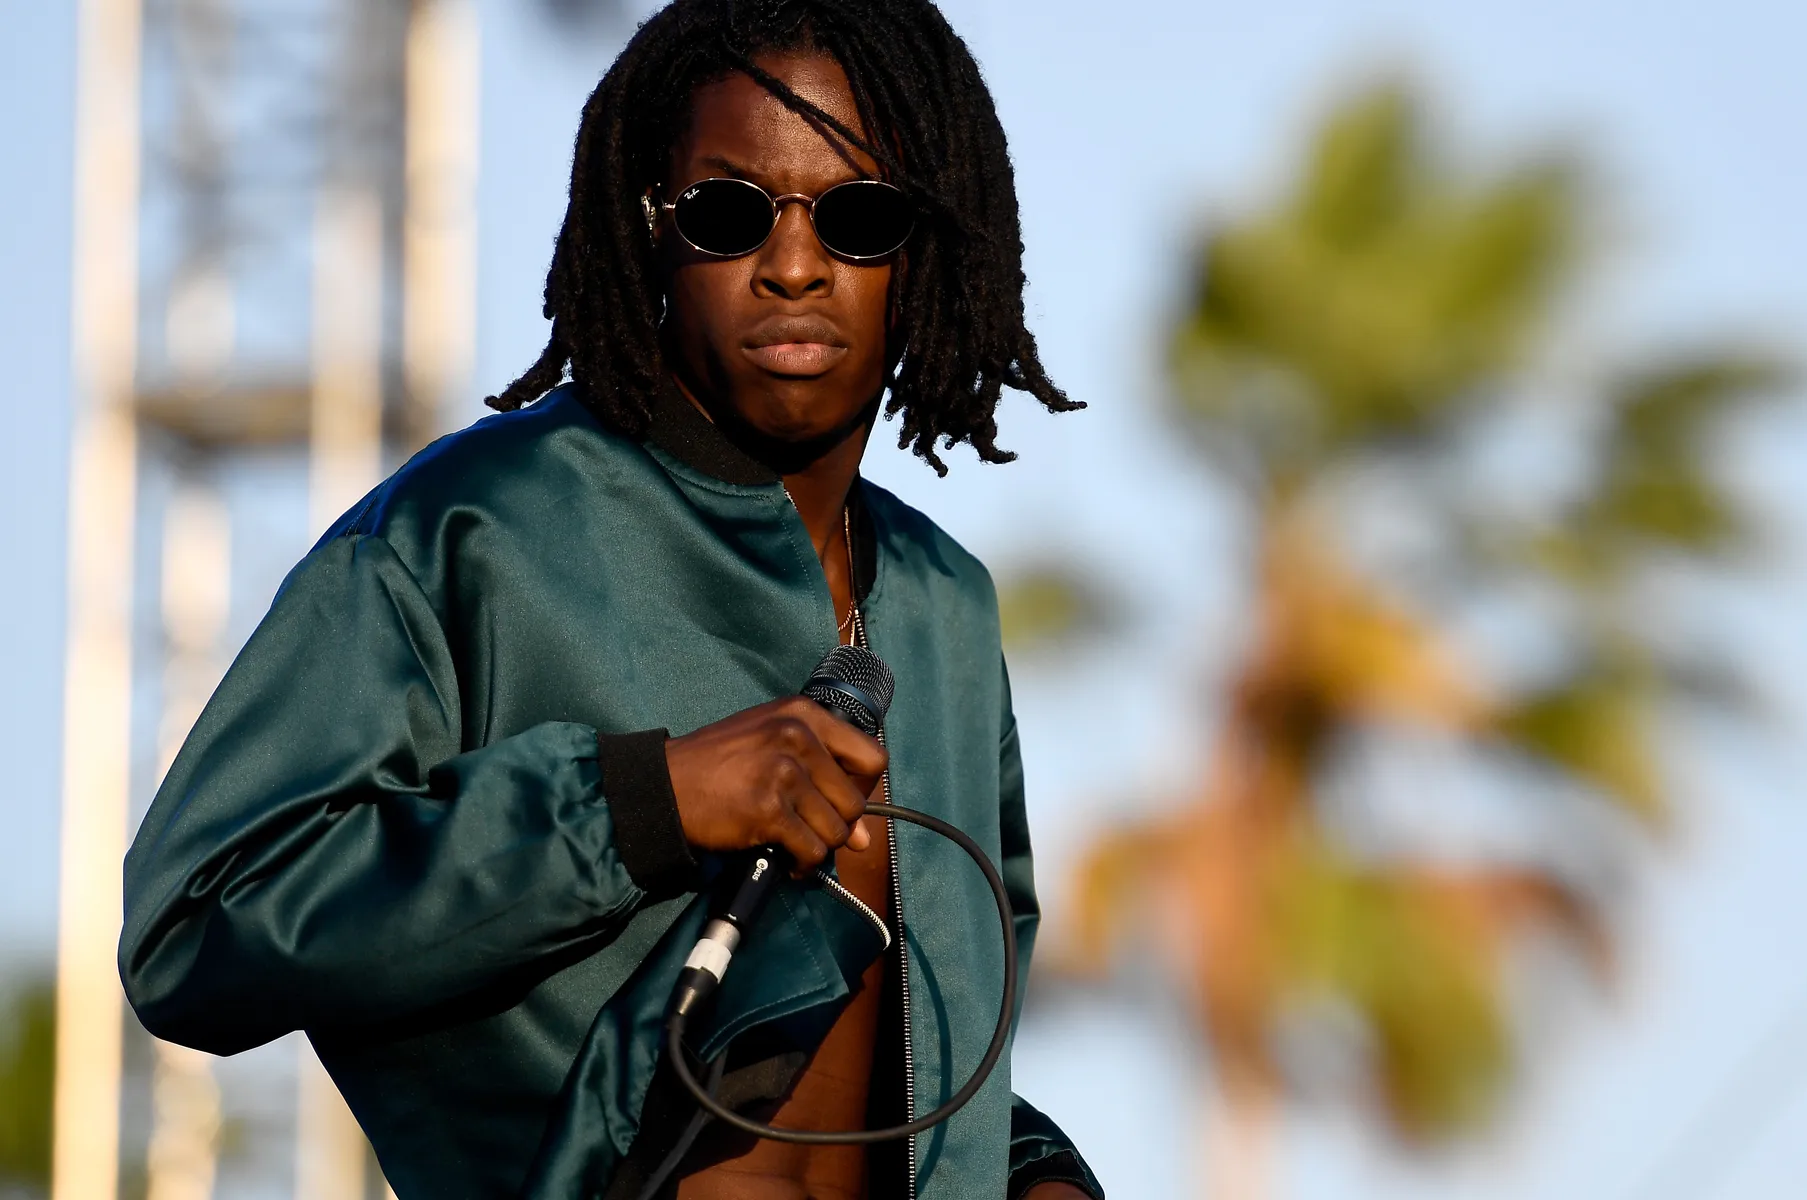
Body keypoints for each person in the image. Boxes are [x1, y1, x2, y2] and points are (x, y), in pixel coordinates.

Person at [117, 2, 1100, 1198]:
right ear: (649, 227)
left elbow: (928, 1040)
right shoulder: (473, 533)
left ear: (925, 250)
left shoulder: (947, 606)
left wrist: (1038, 1174)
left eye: (859, 217)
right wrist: (641, 802)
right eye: (730, 212)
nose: (795, 266)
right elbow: (195, 929)